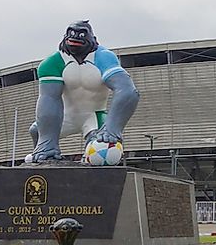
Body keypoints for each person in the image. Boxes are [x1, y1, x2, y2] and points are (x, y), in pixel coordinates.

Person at [27, 20, 139, 162]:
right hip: (66, 115)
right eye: (72, 33)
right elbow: (49, 98)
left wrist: (112, 128)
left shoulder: (103, 57)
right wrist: (47, 141)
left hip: (93, 115)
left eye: (82, 34)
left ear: (93, 39)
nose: (75, 38)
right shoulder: (52, 63)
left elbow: (127, 91)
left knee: (102, 153)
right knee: (37, 132)